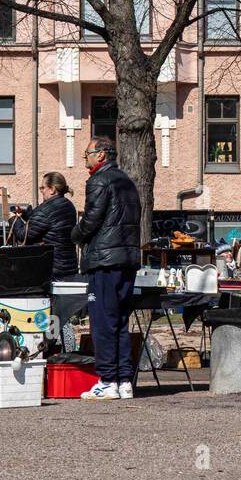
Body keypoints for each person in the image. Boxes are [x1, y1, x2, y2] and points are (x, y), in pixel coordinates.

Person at [71, 137, 142, 401]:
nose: (85, 159)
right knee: (121, 321)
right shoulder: (128, 182)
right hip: (127, 259)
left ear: (101, 155)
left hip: (104, 260)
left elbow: (92, 219)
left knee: (102, 322)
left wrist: (75, 235)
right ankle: (124, 380)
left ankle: (107, 379)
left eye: (87, 154)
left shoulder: (98, 180)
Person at [20, 172, 79, 281]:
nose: (41, 191)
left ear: (52, 189)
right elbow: (47, 224)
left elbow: (24, 235)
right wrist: (26, 215)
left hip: (52, 268)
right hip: (68, 265)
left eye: (42, 187)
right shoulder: (68, 205)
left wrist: (13, 219)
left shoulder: (47, 209)